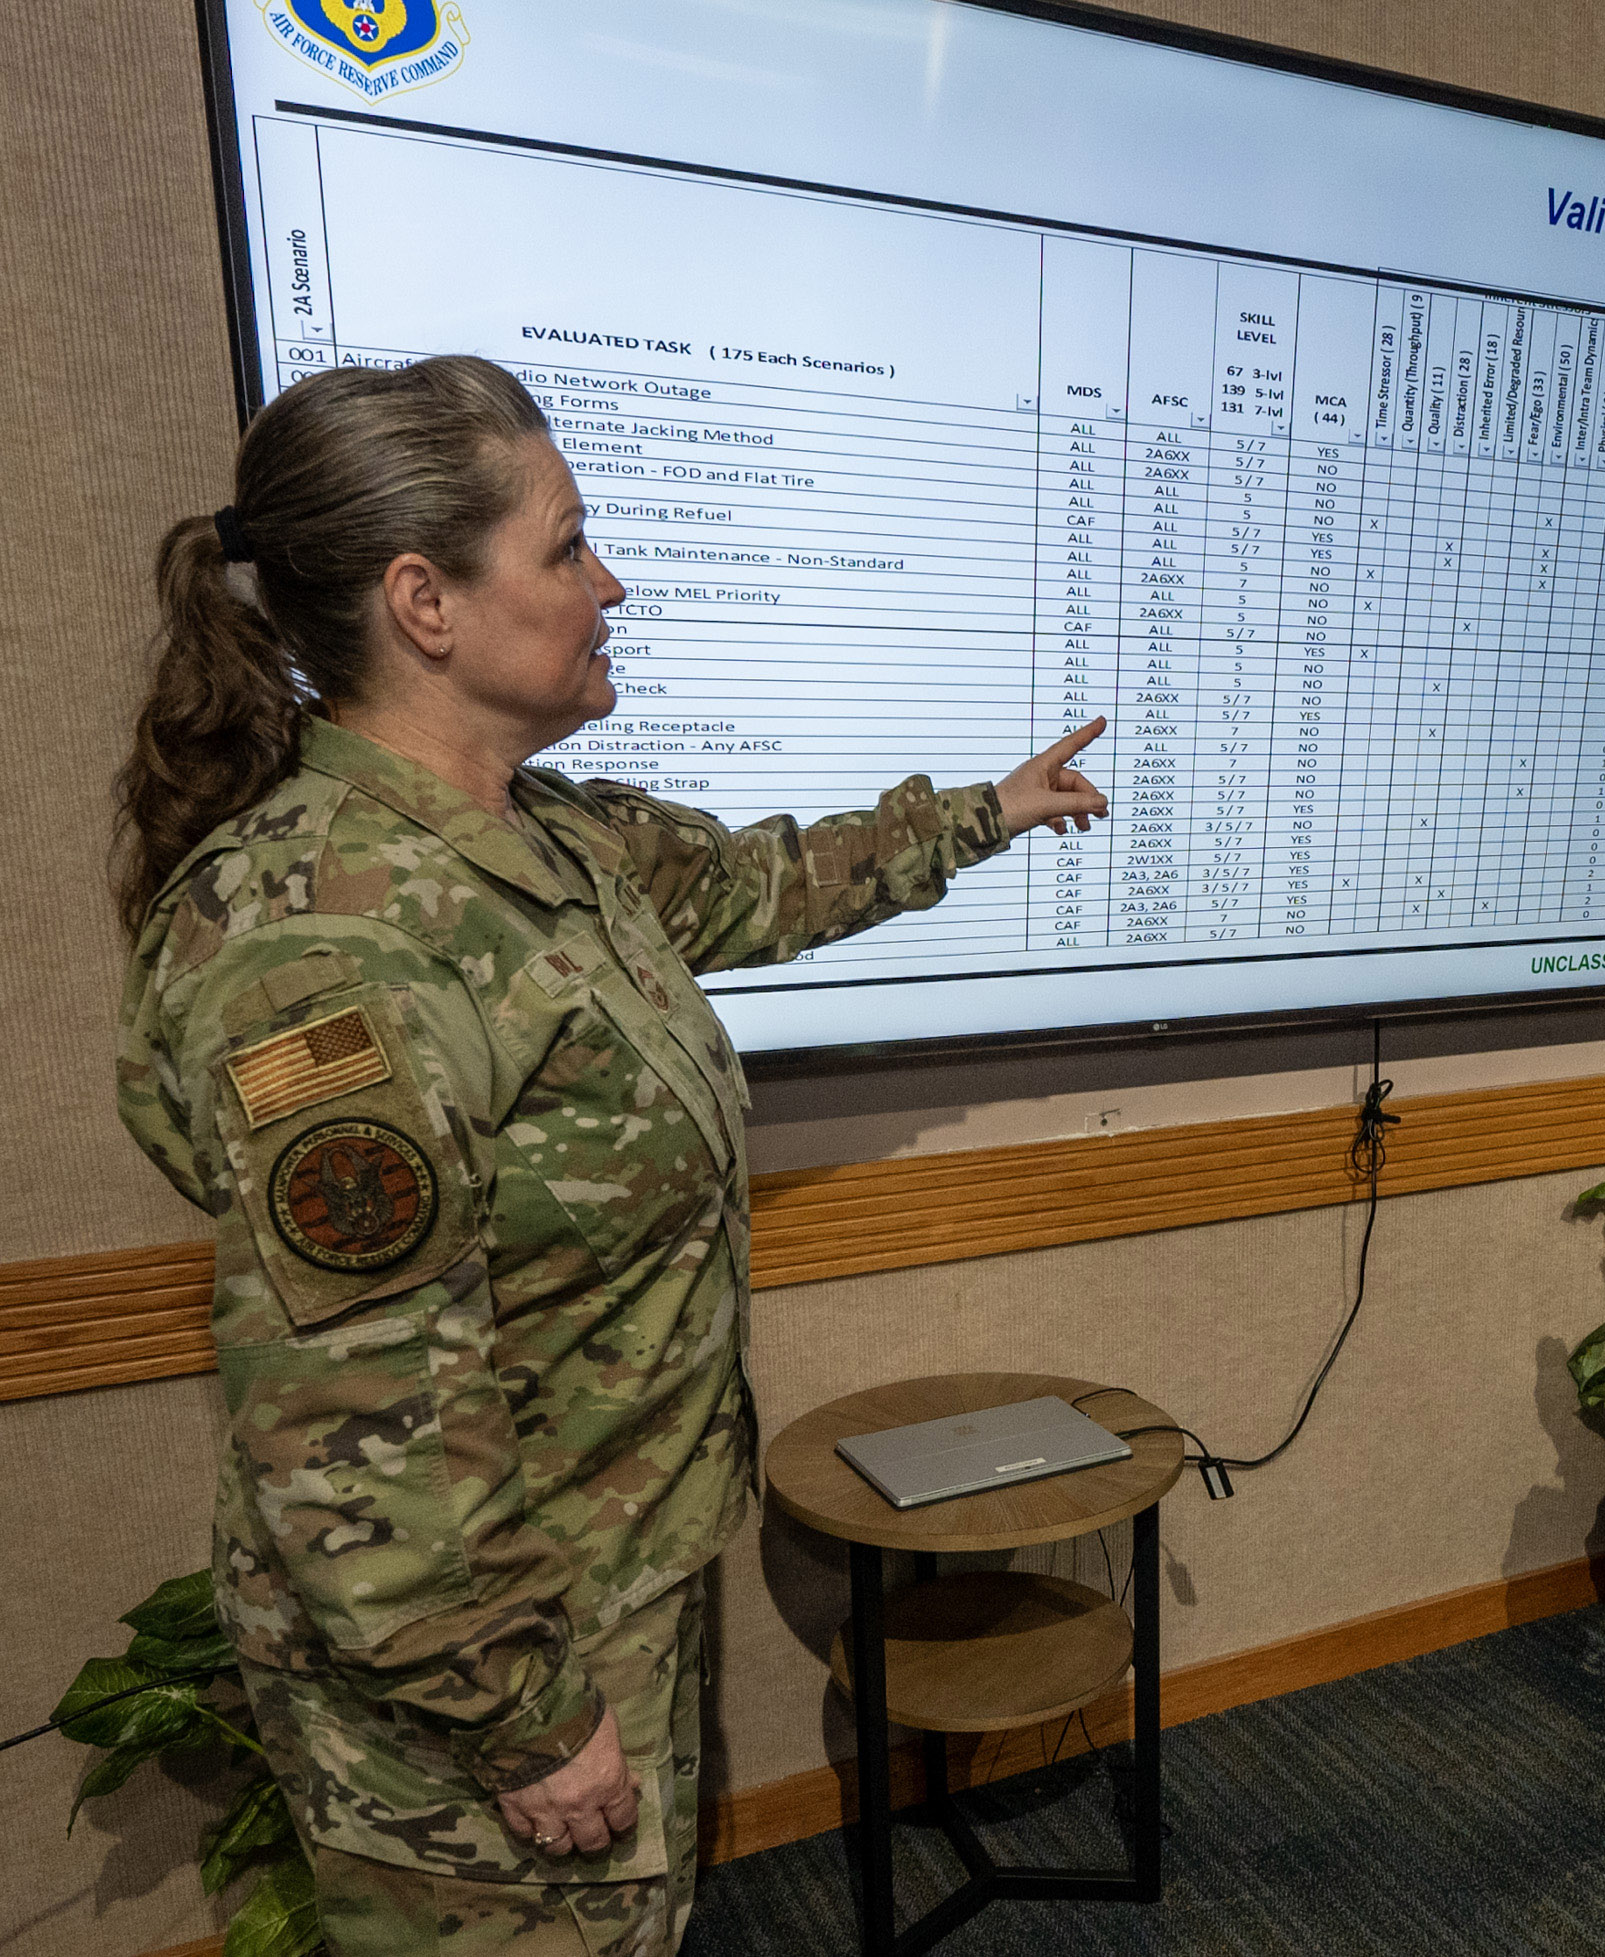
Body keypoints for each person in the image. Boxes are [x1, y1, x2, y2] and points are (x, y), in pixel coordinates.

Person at [110, 355, 1107, 1956]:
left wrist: (984, 814)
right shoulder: (325, 946)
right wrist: (515, 1708)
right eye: (568, 548)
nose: (610, 581)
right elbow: (361, 1413)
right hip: (479, 1654)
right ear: (425, 601)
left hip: (595, 1577)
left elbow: (758, 884)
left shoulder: (542, 833)